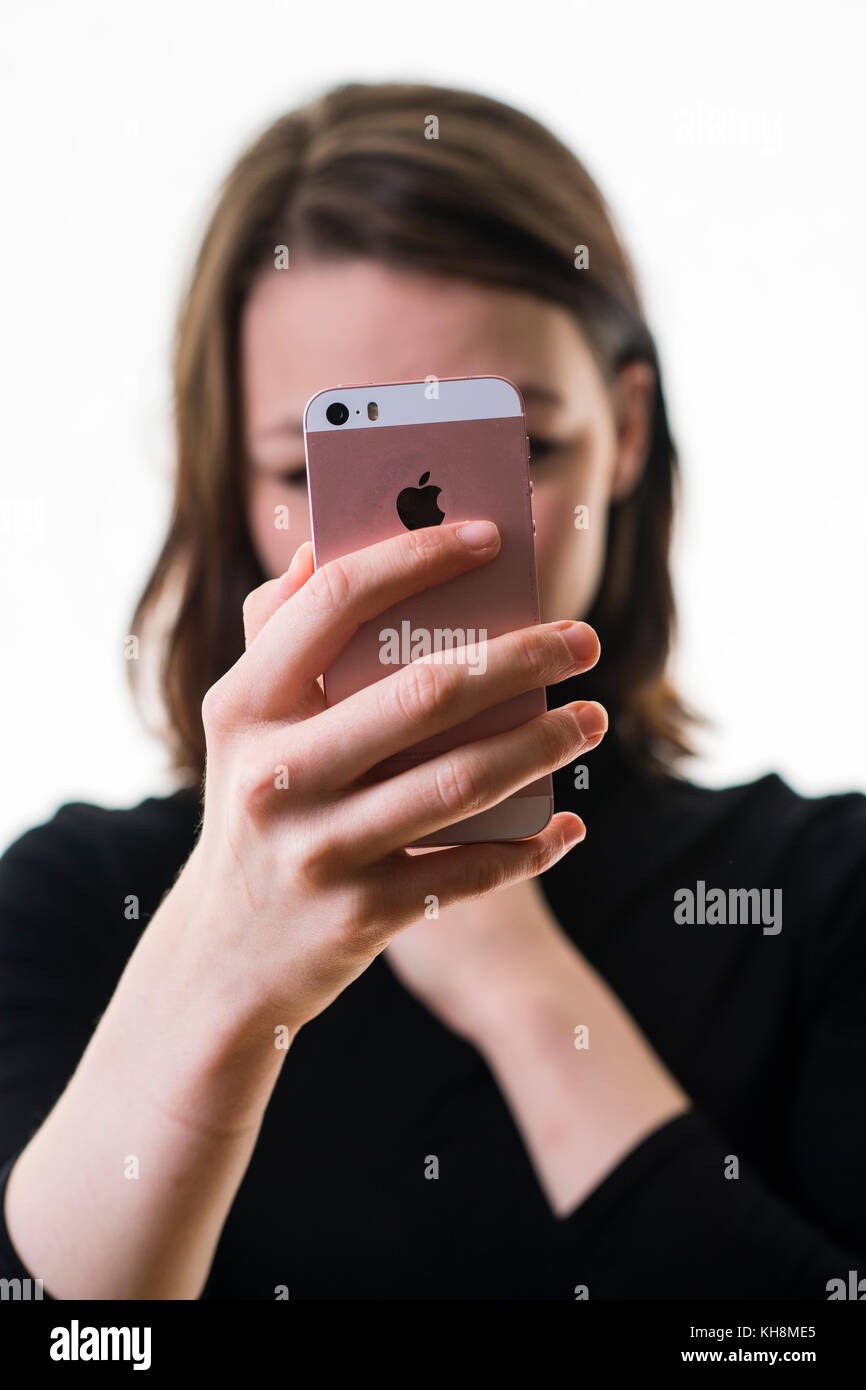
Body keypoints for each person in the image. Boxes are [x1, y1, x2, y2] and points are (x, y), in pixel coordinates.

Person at [1, 81, 863, 1301]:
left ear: (623, 433)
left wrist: (517, 985)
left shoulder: (817, 899)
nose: (437, 538)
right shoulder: (80, 910)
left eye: (509, 451)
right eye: (322, 470)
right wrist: (224, 968)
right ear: (231, 478)